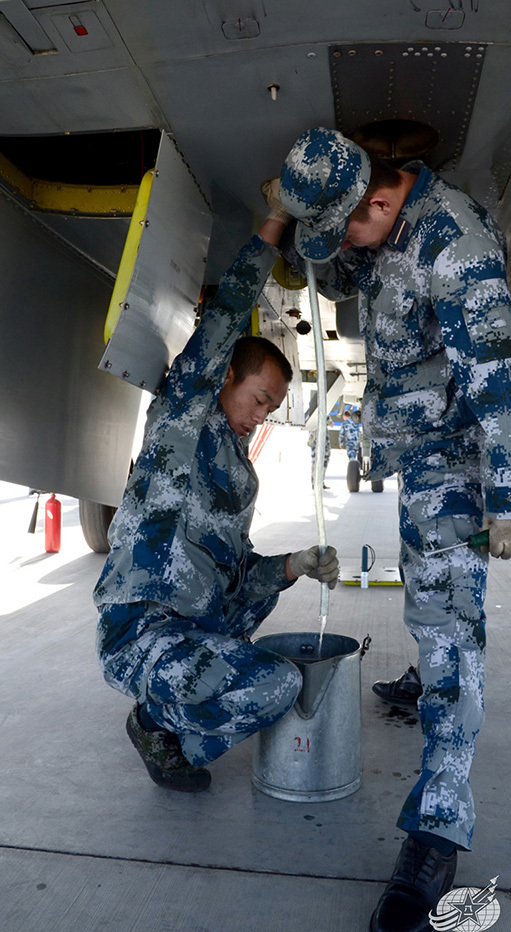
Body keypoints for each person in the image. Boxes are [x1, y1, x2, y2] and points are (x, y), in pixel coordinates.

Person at [278, 127, 511, 932]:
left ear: (380, 201)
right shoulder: (392, 229)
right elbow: (357, 265)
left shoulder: (451, 244)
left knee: (452, 640)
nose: (348, 243)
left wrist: (509, 499)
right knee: (435, 625)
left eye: (350, 225)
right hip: (422, 465)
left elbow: (499, 374)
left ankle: (437, 832)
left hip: (457, 471)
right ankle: (428, 690)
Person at [93, 203, 339, 793]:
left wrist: (294, 565)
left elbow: (235, 579)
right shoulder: (186, 417)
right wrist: (276, 222)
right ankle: (155, 723)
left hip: (198, 624)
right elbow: (227, 312)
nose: (261, 417)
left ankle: (173, 718)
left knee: (266, 632)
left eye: (272, 410)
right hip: (145, 629)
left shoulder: (239, 473)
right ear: (226, 375)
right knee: (278, 686)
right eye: (258, 399)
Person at [308, 417, 332, 488]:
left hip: (324, 442)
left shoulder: (325, 413)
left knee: (324, 462)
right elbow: (330, 422)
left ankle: (320, 482)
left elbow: (330, 422)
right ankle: (314, 483)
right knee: (316, 462)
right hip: (317, 441)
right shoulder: (313, 415)